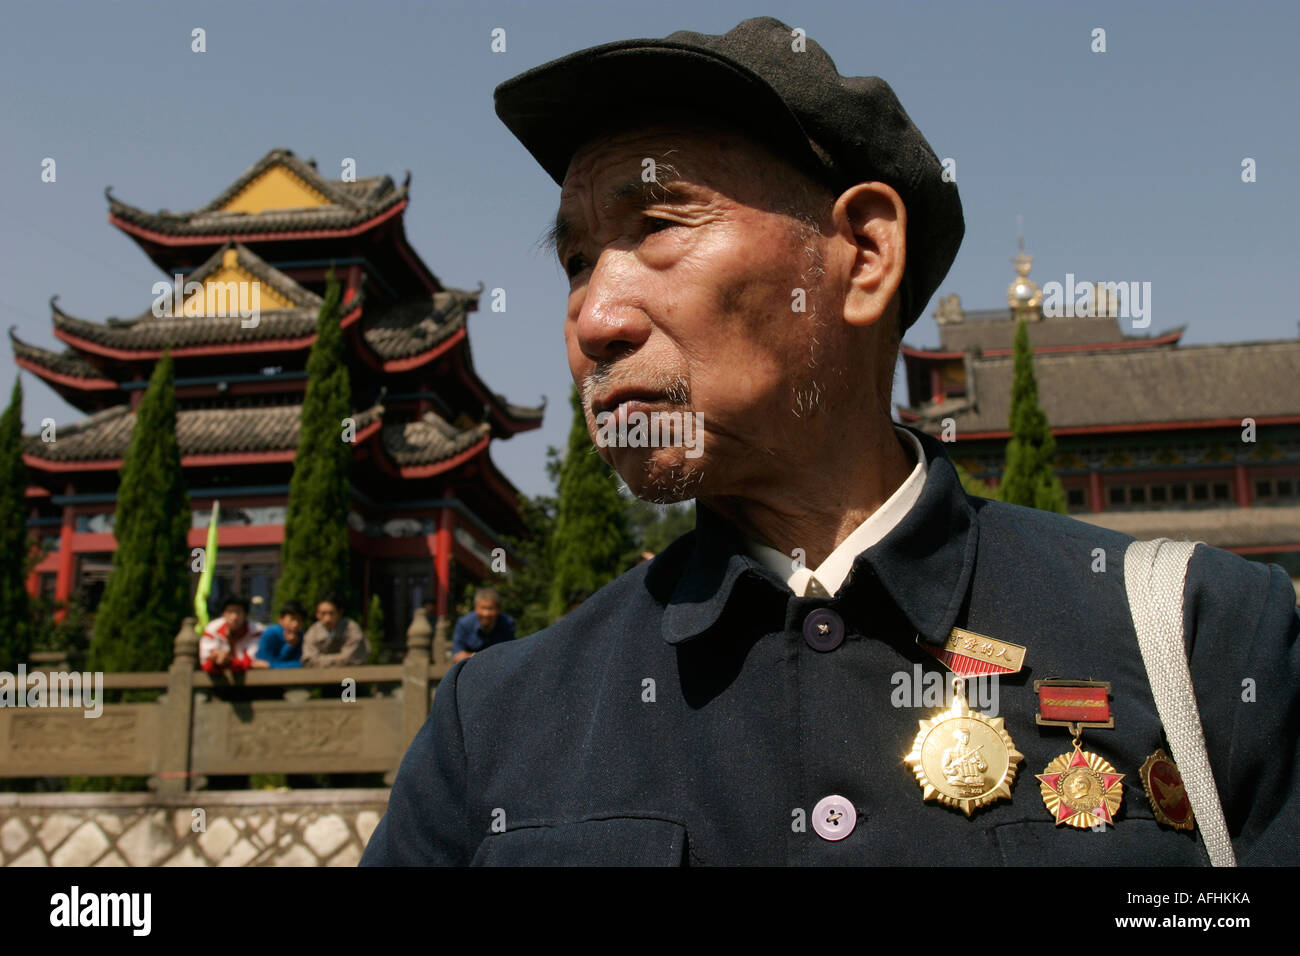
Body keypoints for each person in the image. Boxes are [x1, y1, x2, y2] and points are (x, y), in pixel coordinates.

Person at [362, 17, 1299, 866]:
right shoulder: (497, 725)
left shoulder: (1199, 641)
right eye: (575, 259)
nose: (593, 317)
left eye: (656, 226)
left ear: (863, 256)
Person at [199, 594, 265, 674]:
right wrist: (215, 661)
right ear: (223, 614)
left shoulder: (257, 631)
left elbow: (251, 662)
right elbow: (205, 664)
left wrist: (228, 662)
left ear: (245, 615)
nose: (234, 617)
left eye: (238, 612)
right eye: (230, 612)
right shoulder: (212, 630)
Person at [300, 592, 369, 668]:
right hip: (319, 677)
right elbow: (309, 660)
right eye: (323, 613)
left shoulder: (352, 629)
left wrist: (320, 660)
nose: (327, 619)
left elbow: (351, 659)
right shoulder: (312, 632)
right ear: (317, 614)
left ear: (340, 612)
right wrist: (339, 658)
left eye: (331, 613)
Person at [450, 588, 516, 663]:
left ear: (498, 609)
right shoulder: (464, 624)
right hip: (471, 668)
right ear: (475, 608)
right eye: (483, 608)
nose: (486, 614)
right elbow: (457, 656)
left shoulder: (507, 623)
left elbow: (511, 653)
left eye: (490, 608)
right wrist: (483, 658)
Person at [255, 600, 307, 669]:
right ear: (280, 619)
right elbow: (264, 664)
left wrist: (271, 665)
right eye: (292, 619)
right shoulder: (270, 635)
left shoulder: (301, 636)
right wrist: (289, 646)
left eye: (300, 620)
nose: (296, 624)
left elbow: (302, 664)